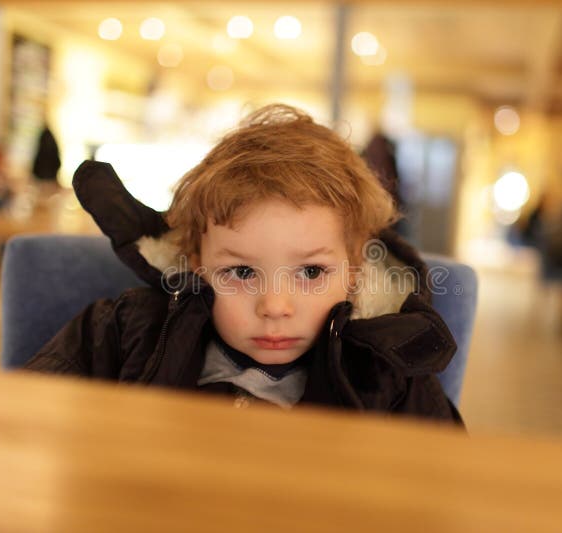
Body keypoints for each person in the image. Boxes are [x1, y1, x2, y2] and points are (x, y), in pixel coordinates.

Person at [24, 104, 462, 423]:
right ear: (197, 263)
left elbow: (439, 488)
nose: (274, 306)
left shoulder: (390, 374)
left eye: (310, 272)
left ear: (354, 273)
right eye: (242, 272)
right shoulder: (122, 331)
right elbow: (22, 416)